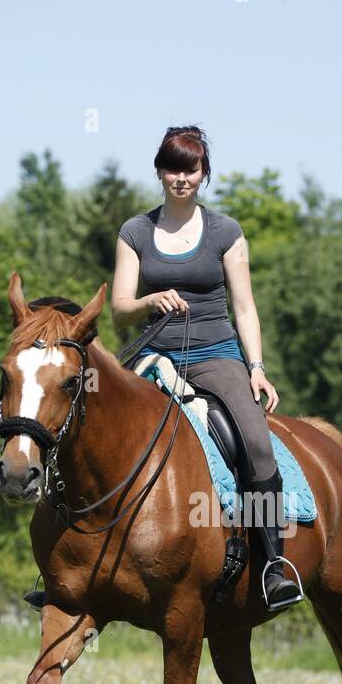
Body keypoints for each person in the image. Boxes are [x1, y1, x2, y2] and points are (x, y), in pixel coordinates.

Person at [111, 124, 304, 612]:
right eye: (172, 167)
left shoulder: (226, 233)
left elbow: (245, 308)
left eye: (190, 168)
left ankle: (273, 565)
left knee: (259, 446)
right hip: (155, 356)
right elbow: (118, 307)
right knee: (86, 425)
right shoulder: (134, 232)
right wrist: (149, 299)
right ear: (159, 171)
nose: (181, 177)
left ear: (204, 173)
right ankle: (63, 564)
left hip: (215, 355)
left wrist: (255, 367)